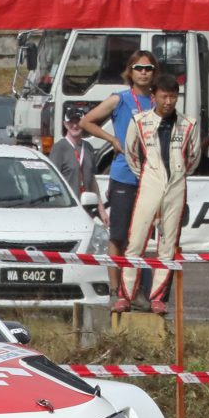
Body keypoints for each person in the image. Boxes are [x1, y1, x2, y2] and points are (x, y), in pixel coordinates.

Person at [78, 50, 158, 309]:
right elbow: (86, 122)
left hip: (151, 176)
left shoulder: (159, 101)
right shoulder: (121, 99)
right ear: (130, 71)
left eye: (148, 68)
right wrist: (112, 139)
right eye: (139, 68)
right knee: (118, 236)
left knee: (141, 238)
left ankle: (136, 290)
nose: (144, 72)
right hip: (124, 175)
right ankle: (116, 291)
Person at [118, 73, 201, 315]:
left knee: (168, 244)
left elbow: (194, 158)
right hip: (149, 181)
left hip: (176, 184)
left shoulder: (189, 124)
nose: (168, 102)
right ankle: (126, 294)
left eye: (173, 97)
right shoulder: (140, 121)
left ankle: (158, 298)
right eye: (164, 97)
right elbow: (131, 153)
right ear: (153, 96)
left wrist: (179, 174)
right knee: (136, 240)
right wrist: (146, 173)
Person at [49, 114, 103, 221]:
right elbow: (51, 180)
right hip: (66, 210)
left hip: (86, 209)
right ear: (65, 124)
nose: (74, 126)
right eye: (71, 122)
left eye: (78, 122)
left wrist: (101, 210)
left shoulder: (88, 147)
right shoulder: (59, 148)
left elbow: (92, 181)